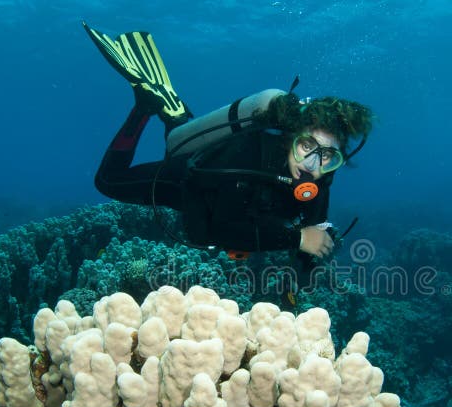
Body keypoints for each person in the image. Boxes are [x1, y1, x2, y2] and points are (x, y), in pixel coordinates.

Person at [84, 23, 373, 268]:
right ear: (290, 139)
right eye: (307, 146)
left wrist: (317, 244)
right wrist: (298, 239)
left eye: (327, 156)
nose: (312, 164)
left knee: (181, 134)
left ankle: (177, 116)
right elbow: (221, 230)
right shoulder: (248, 156)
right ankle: (145, 107)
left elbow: (313, 229)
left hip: (223, 179)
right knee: (109, 182)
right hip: (192, 183)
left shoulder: (320, 178)